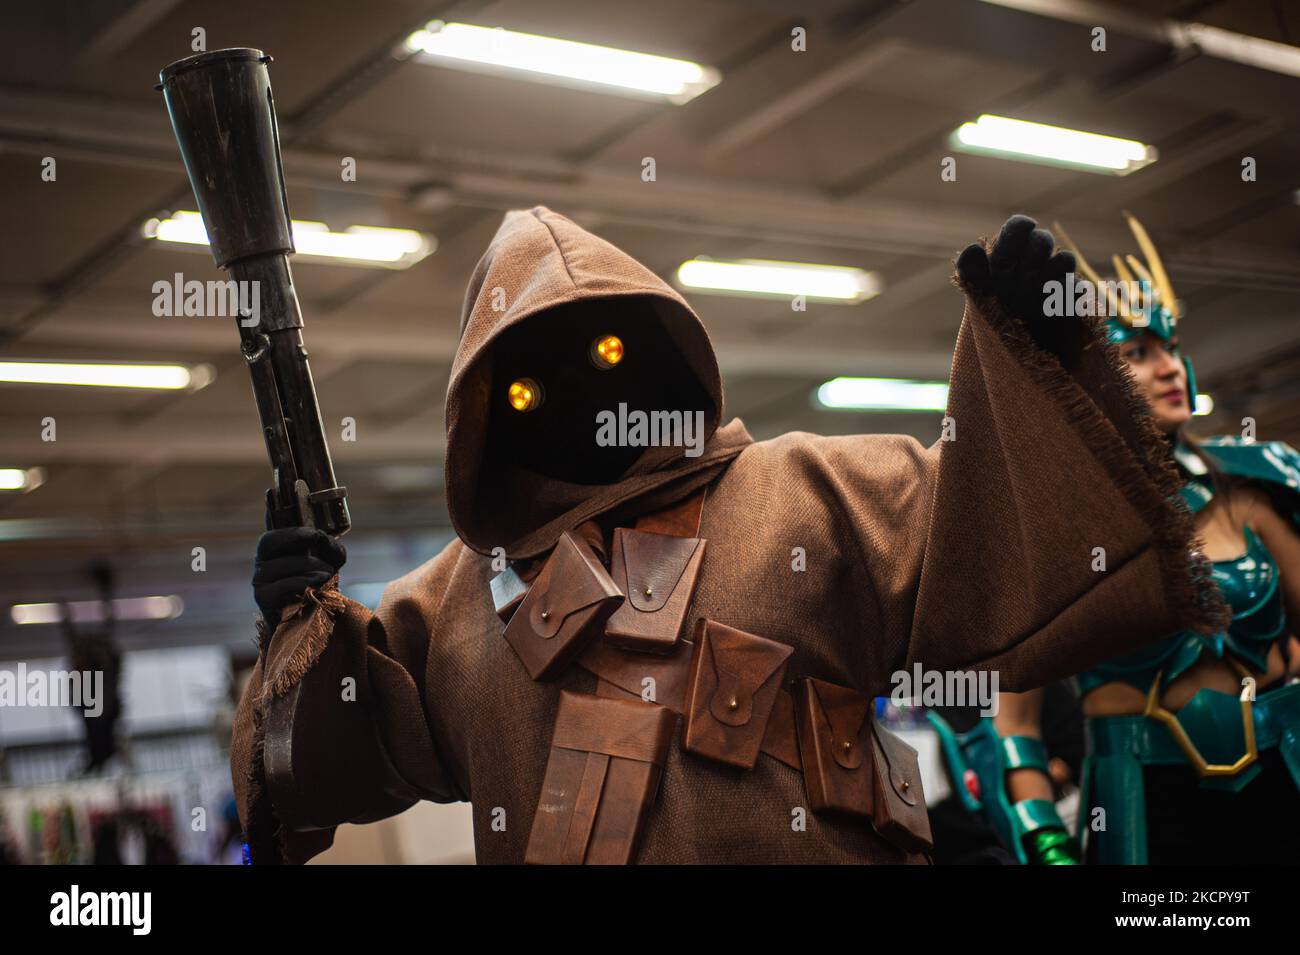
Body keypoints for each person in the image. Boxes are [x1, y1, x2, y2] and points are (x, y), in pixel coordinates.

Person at [233, 208, 1225, 864]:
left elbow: (996, 546)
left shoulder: (816, 492)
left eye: (607, 348)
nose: (580, 388)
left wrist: (1030, 371)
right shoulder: (450, 604)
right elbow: (330, 762)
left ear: (658, 342)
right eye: (527, 387)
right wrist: (301, 628)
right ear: (487, 418)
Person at [931, 213, 1300, 864]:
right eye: (1137, 353)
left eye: (1170, 346)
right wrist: (1044, 838)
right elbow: (1013, 725)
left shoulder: (1253, 484)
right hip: (1141, 806)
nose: (1169, 368)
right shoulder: (1062, 516)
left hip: (1282, 780)